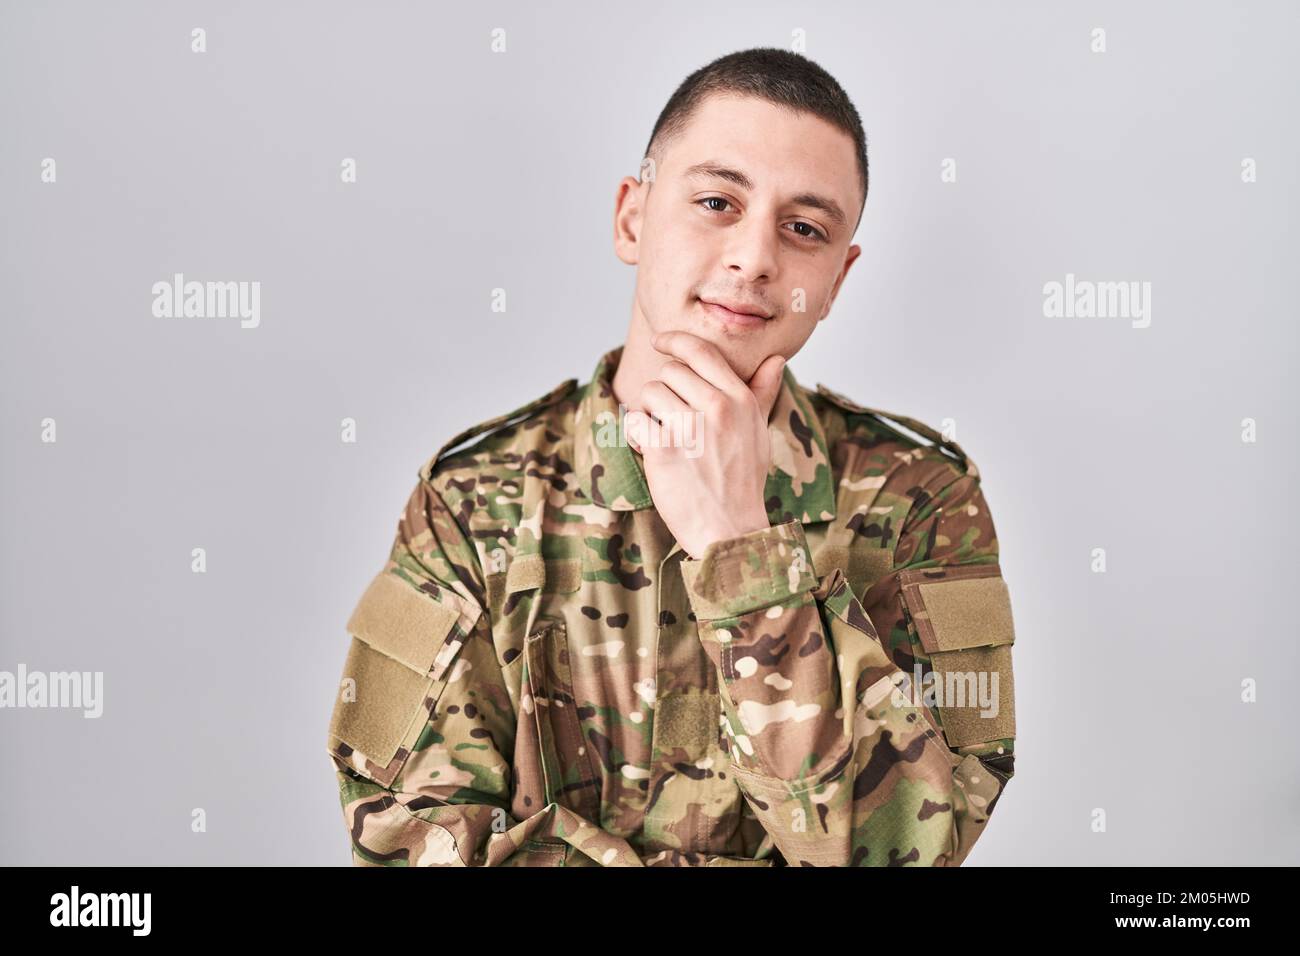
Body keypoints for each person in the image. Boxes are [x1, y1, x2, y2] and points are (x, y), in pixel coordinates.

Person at [326, 47, 1017, 866]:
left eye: (804, 228)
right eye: (717, 201)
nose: (755, 257)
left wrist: (738, 546)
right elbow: (403, 837)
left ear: (836, 280)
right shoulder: (474, 502)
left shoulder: (922, 500)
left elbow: (913, 846)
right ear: (632, 218)